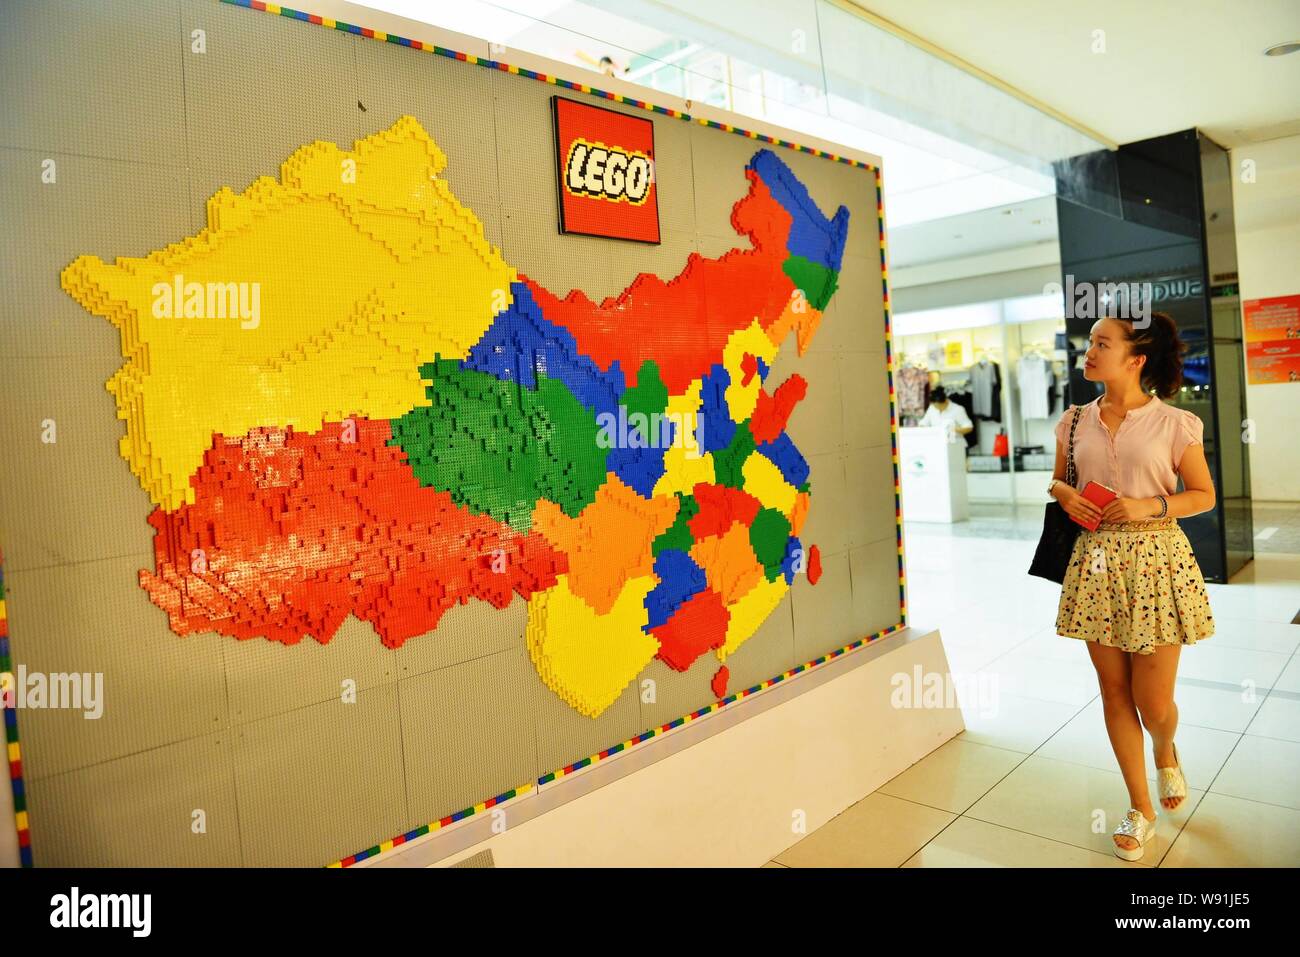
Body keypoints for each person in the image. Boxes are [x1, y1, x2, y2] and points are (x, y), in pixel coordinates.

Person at [1047, 311, 1215, 862]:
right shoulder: (1073, 421)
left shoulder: (1175, 424)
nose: (1089, 352)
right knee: (1114, 692)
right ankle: (1140, 806)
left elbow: (1204, 495)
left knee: (1154, 700)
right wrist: (1065, 495)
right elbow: (1060, 481)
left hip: (1157, 562)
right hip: (1095, 564)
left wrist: (1150, 505)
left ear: (1135, 359)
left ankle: (1166, 750)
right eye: (1089, 343)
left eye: (1102, 343)